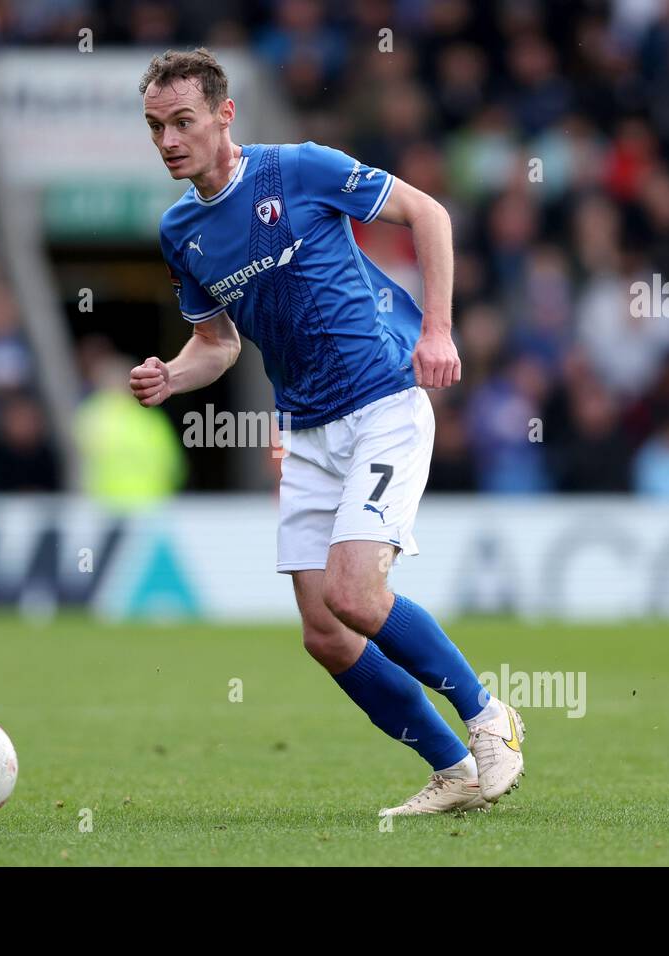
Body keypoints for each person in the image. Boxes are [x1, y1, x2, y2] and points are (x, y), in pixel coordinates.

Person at [129, 48, 524, 815]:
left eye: (183, 121)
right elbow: (217, 344)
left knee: (354, 592)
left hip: (382, 401)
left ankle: (487, 716)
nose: (169, 139)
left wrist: (438, 331)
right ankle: (455, 771)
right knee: (325, 633)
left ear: (223, 115)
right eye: (155, 126)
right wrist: (170, 376)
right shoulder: (181, 231)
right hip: (306, 429)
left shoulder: (298, 169)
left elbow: (429, 214)